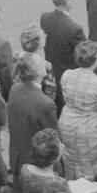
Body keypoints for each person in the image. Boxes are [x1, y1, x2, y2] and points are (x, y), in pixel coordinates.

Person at [58, 39, 97, 180]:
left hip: (67, 125)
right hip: (90, 130)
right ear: (96, 58)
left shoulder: (67, 75)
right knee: (90, 166)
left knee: (71, 163)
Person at [6, 53, 58, 184]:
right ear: (37, 72)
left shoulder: (15, 89)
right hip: (36, 165)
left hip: (17, 158)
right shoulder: (45, 104)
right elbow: (53, 137)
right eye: (41, 63)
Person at [40, 0, 86, 111]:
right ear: (66, 2)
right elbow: (85, 53)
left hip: (52, 72)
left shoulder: (45, 18)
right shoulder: (74, 29)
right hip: (69, 77)